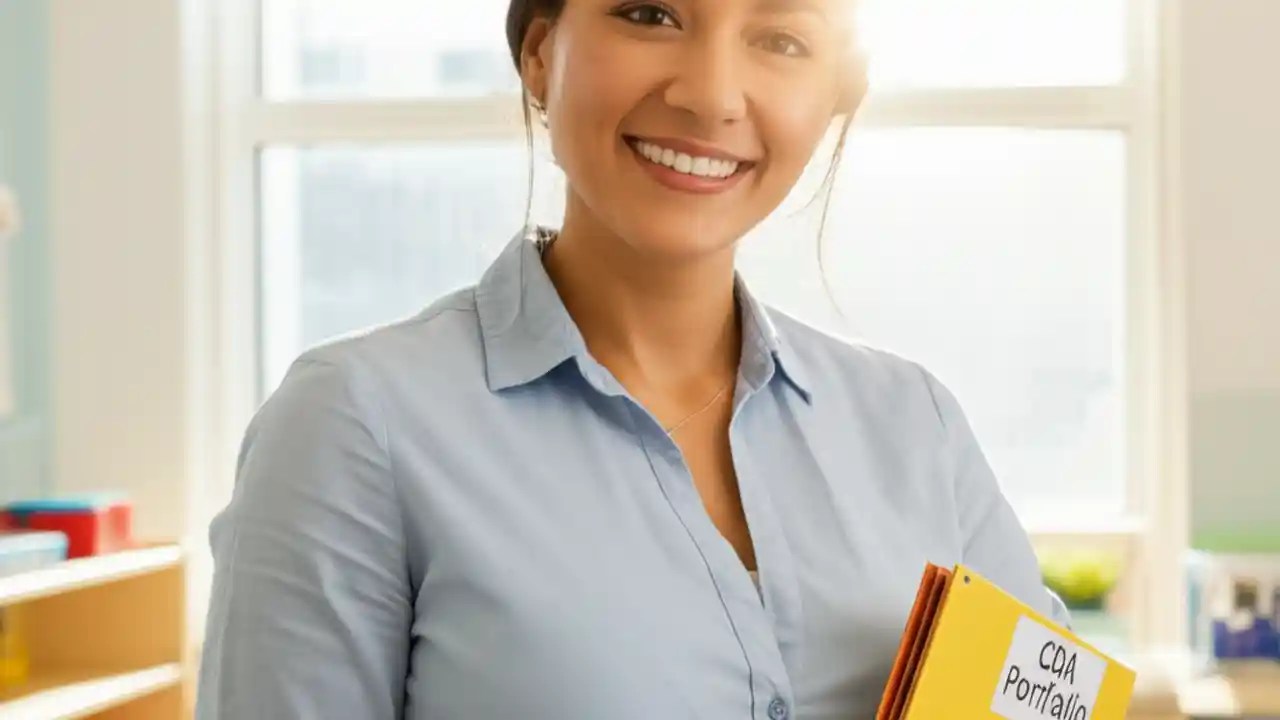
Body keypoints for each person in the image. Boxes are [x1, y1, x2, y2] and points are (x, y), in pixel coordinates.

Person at [196, 0, 1067, 717]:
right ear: (541, 54)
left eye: (781, 40)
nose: (711, 94)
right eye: (649, 14)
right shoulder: (356, 425)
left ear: (834, 97)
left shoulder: (914, 424)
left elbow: (1044, 701)